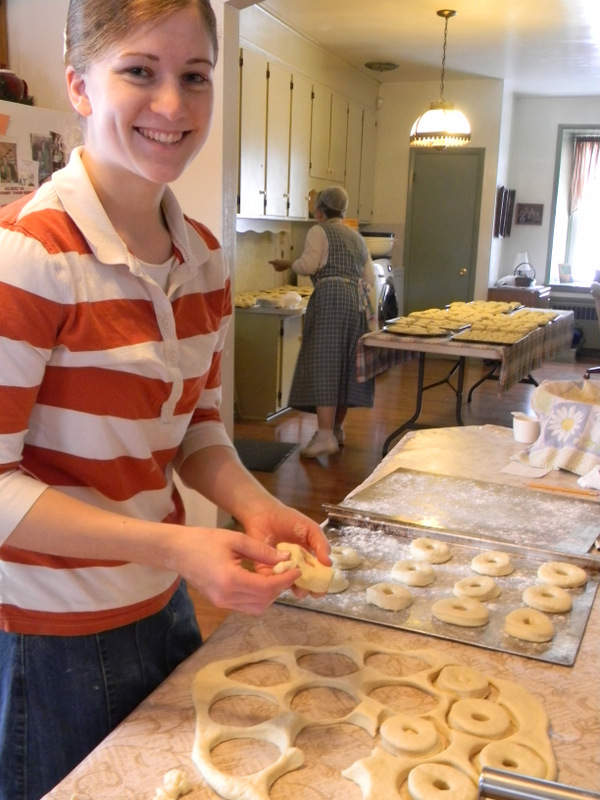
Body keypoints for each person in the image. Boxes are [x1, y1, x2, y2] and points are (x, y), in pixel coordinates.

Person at [0, 3, 330, 799]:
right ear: (79, 85)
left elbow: (199, 432)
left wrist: (256, 509)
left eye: (195, 77)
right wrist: (182, 549)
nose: (173, 106)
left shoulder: (205, 259)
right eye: (139, 72)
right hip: (52, 638)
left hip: (163, 605)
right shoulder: (29, 257)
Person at [269, 187, 375, 458]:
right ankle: (337, 430)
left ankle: (325, 436)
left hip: (330, 299)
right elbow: (369, 278)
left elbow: (308, 265)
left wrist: (289, 264)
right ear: (344, 210)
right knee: (345, 367)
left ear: (319, 211)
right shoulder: (357, 238)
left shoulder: (319, 231)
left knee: (326, 364)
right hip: (356, 301)